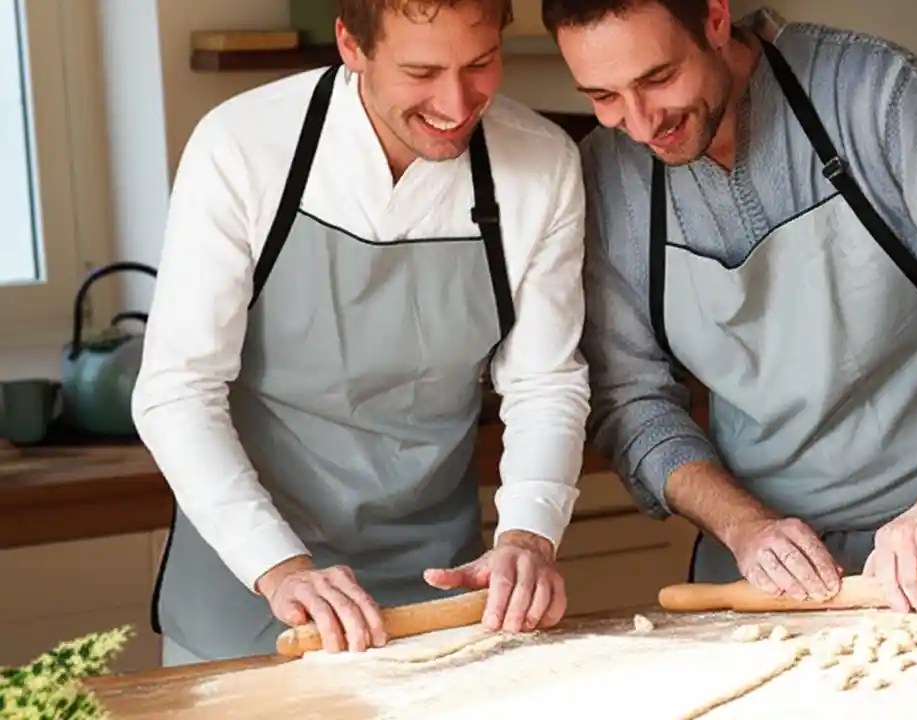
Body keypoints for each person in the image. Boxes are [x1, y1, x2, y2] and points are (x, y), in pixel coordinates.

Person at [541, 0, 917, 613]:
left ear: (716, 19)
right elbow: (630, 402)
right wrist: (745, 526)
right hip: (761, 570)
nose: (639, 125)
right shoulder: (608, 178)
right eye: (603, 97)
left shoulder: (873, 94)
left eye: (658, 79)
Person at [133, 0, 591, 665]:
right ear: (352, 45)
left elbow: (545, 381)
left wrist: (528, 537)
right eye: (421, 71)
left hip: (437, 597)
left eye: (482, 62)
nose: (457, 100)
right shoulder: (244, 147)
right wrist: (282, 569)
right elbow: (177, 390)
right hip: (249, 591)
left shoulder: (540, 165)